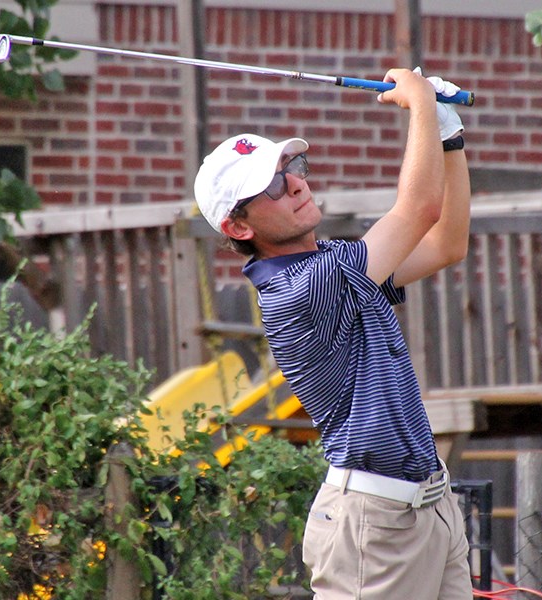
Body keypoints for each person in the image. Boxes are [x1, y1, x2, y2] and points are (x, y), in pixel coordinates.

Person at [193, 67, 472, 599]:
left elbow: (446, 244)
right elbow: (418, 209)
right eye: (272, 185)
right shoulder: (301, 289)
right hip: (375, 526)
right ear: (239, 227)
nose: (297, 182)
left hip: (431, 506)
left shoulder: (335, 263)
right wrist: (418, 105)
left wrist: (447, 136)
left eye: (291, 166)